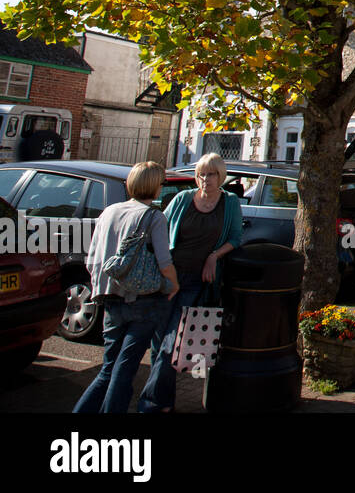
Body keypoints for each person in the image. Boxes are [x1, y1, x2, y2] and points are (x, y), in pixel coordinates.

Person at [138, 153, 242, 413]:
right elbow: (159, 228)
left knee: (171, 343)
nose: (205, 179)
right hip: (169, 277)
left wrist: (213, 257)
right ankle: (165, 401)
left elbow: (236, 237)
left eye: (212, 174)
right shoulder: (183, 199)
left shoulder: (229, 203)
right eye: (201, 174)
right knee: (160, 341)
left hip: (198, 281)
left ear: (221, 176)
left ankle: (151, 404)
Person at [73, 162, 180, 413]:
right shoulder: (154, 216)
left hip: (109, 298)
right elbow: (164, 262)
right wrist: (173, 284)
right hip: (143, 300)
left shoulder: (109, 212)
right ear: (154, 185)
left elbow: (93, 257)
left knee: (108, 368)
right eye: (161, 183)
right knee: (124, 370)